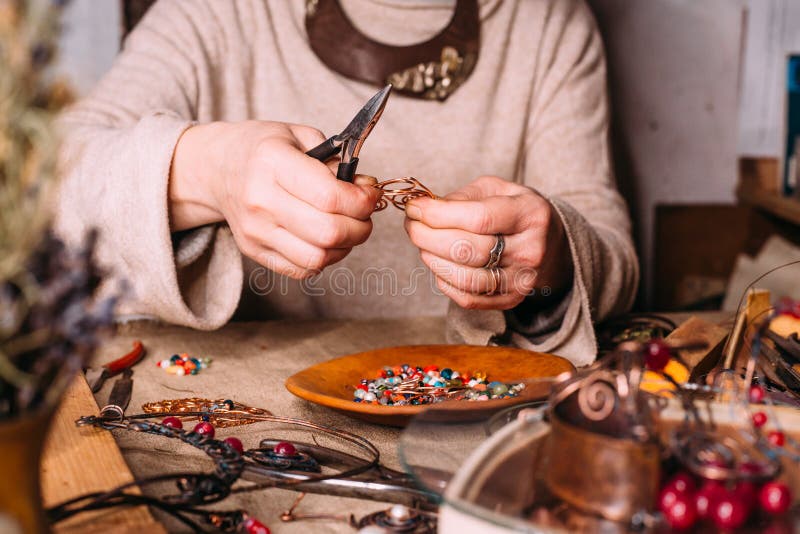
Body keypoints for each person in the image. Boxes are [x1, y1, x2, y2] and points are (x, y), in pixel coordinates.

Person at [55, 0, 638, 366]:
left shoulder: (551, 25)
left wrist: (556, 253)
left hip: (470, 411)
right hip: (251, 410)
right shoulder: (212, 13)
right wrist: (210, 171)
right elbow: (48, 189)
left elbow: (614, 253)